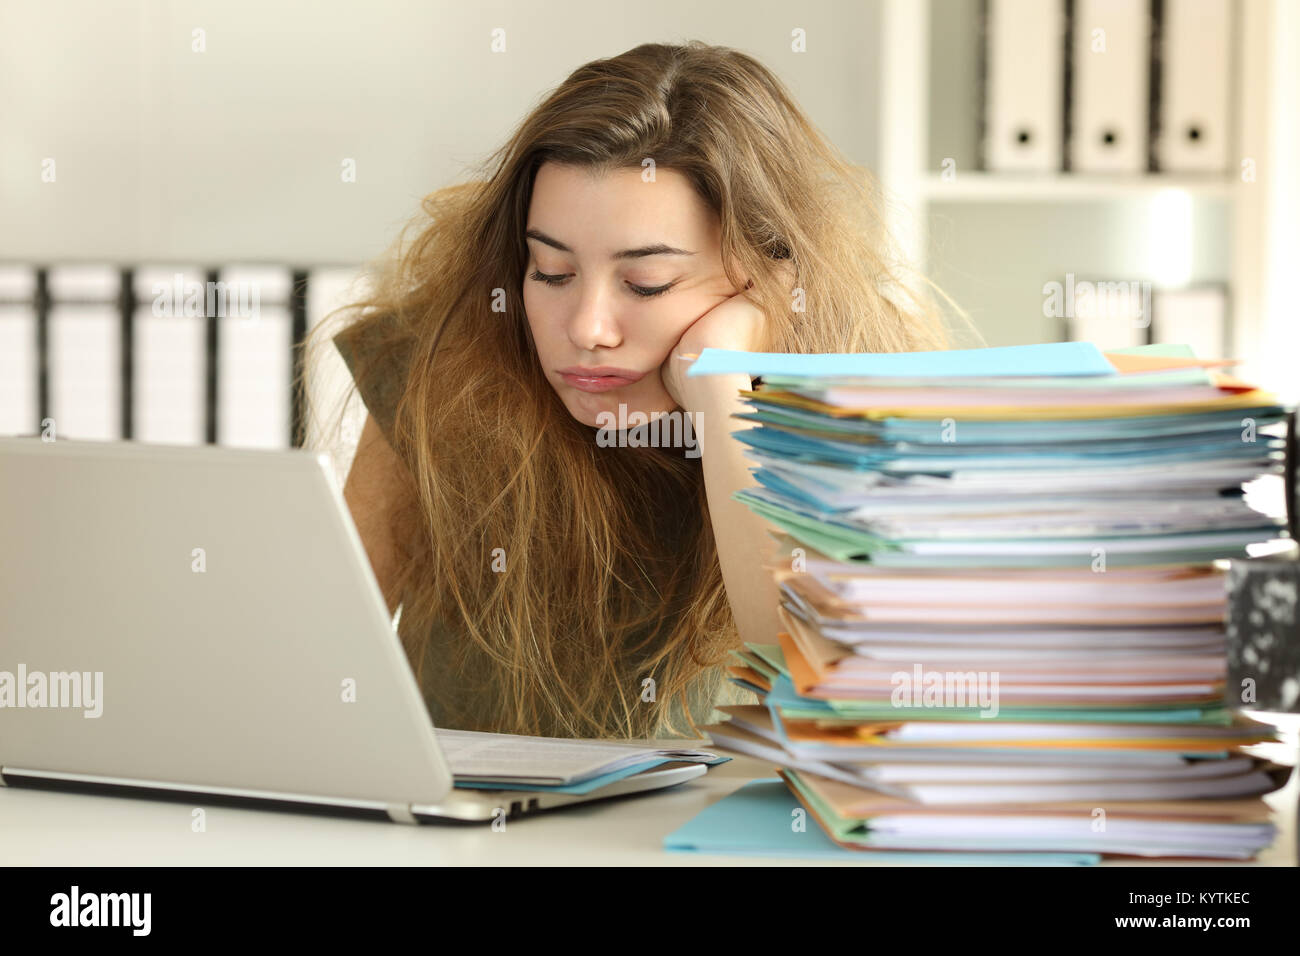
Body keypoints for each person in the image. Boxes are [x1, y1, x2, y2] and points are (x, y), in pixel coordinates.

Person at [302, 40, 951, 740]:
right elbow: (319, 663)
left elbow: (820, 675)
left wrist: (722, 383)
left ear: (765, 274)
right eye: (550, 271)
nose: (587, 329)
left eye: (646, 283)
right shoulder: (445, 360)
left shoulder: (865, 394)